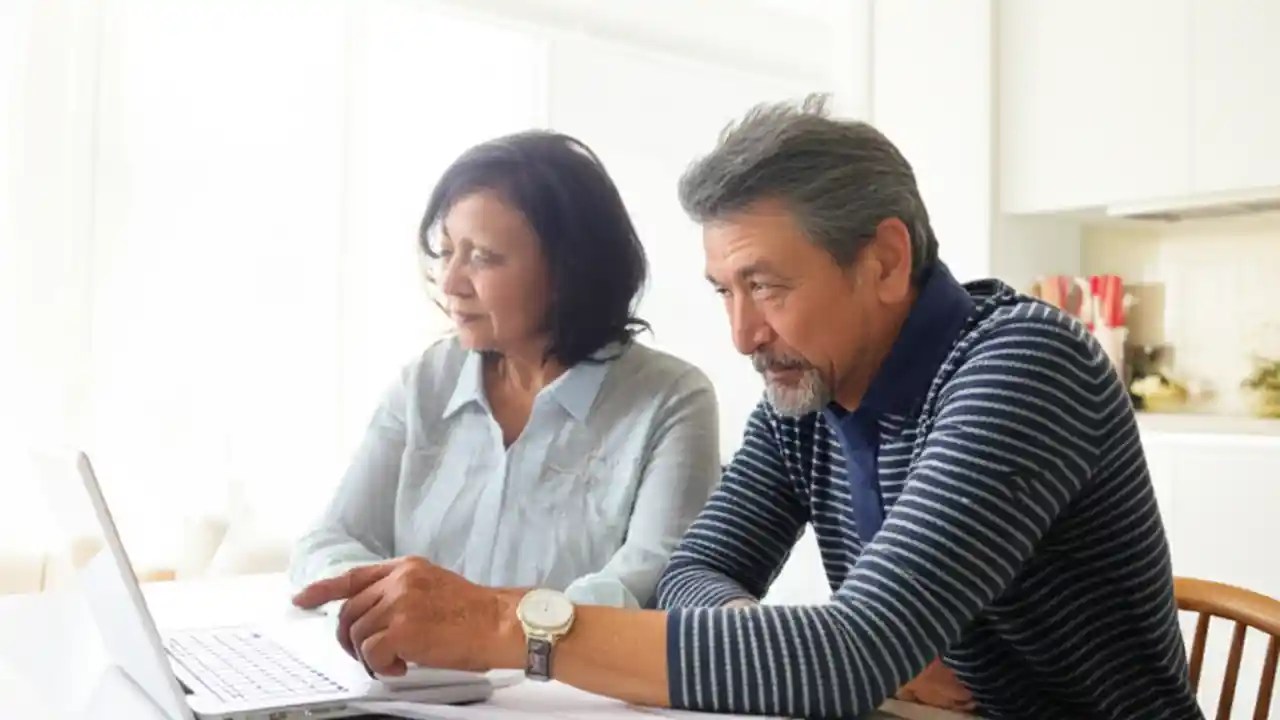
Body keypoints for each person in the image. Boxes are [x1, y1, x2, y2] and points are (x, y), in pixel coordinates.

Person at [292, 98, 1204, 719]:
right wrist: (848, 651)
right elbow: (691, 579)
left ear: (885, 261)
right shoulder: (804, 393)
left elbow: (845, 656)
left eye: (765, 284)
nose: (741, 335)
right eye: (724, 289)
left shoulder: (1022, 366)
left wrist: (503, 625)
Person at [288, 130, 721, 611]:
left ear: (568, 271)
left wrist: (475, 623)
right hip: (410, 679)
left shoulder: (672, 399)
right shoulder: (426, 381)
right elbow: (328, 542)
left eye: (483, 258)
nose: (451, 282)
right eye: (448, 250)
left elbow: (648, 583)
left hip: (568, 687)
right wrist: (388, 606)